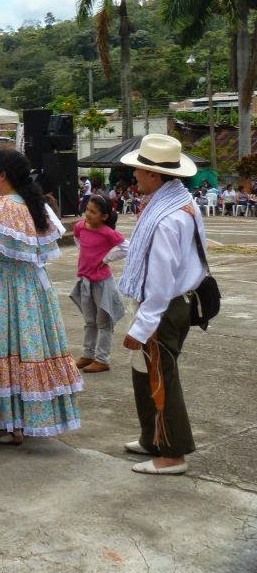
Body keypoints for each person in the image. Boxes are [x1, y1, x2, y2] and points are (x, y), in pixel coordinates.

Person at [0, 149, 83, 445]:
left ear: (3, 174)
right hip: (31, 287)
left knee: (3, 346)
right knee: (28, 348)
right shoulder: (36, 205)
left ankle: (7, 425)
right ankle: (22, 421)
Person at [117, 134, 205, 476]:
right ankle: (153, 437)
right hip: (172, 302)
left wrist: (142, 326)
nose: (135, 176)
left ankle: (172, 453)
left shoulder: (168, 217)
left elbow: (161, 278)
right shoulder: (176, 202)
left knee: (160, 377)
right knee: (145, 373)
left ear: (154, 175)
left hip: (164, 306)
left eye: (139, 171)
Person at [70, 194, 128, 373]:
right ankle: (87, 354)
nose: (88, 214)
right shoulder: (80, 227)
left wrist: (107, 258)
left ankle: (102, 359)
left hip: (103, 283)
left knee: (103, 322)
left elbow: (127, 248)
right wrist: (85, 254)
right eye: (87, 209)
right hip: (85, 280)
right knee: (89, 321)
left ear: (104, 217)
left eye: (93, 212)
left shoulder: (107, 232)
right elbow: (77, 239)